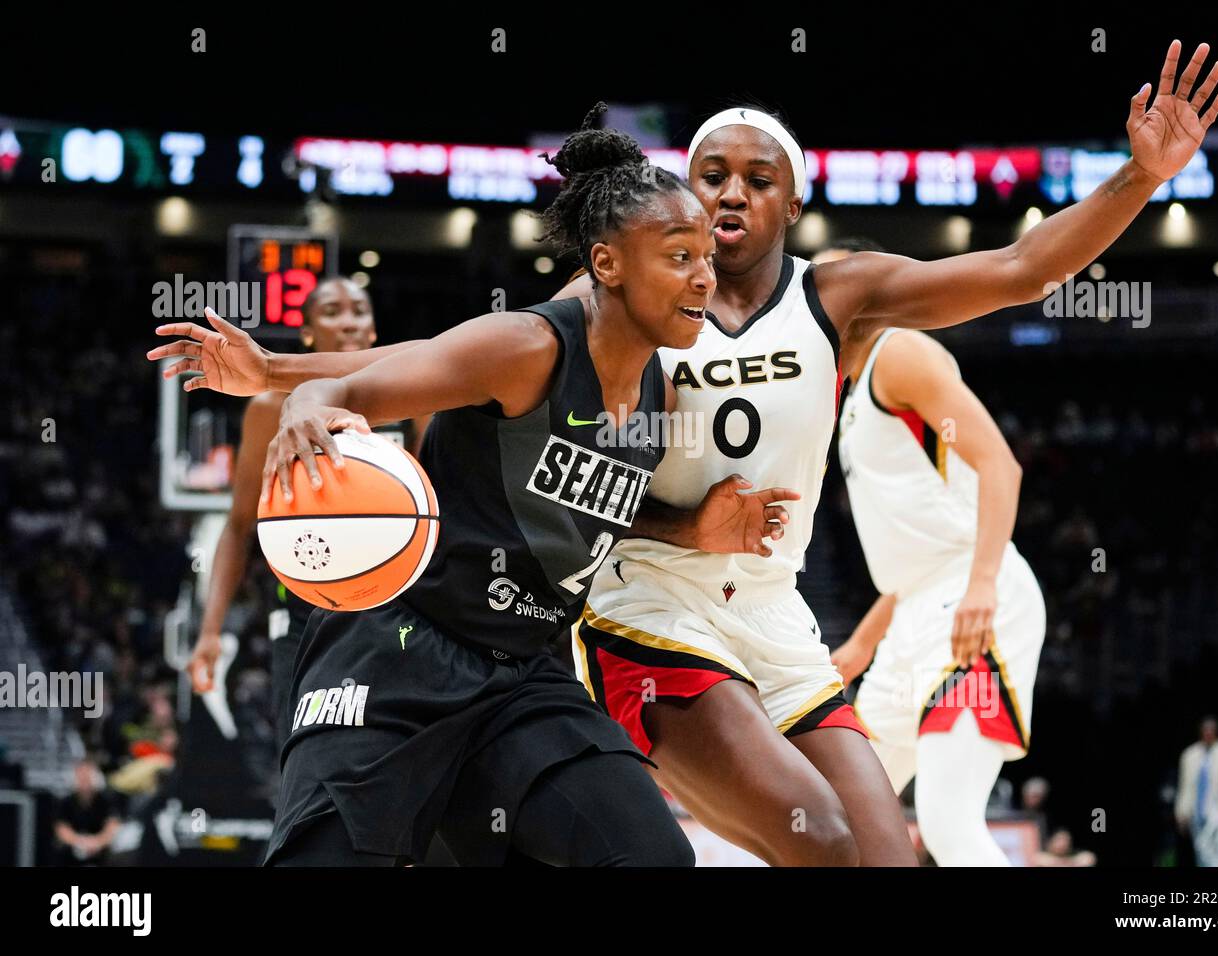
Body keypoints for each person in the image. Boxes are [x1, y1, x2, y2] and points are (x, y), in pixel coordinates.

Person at [157, 42, 1218, 865]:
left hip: (767, 609)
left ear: (792, 202)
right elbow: (447, 358)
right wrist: (295, 376)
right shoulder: (611, 303)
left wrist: (1138, 176)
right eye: (710, 171)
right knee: (808, 833)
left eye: (756, 178)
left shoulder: (831, 297)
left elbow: (1023, 265)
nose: (728, 193)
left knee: (883, 853)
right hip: (635, 605)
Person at [152, 105, 790, 866]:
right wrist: (297, 395)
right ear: (608, 264)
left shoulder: (662, 393)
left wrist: (693, 529)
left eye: (706, 259)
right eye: (680, 255)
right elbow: (373, 380)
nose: (705, 275)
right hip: (398, 652)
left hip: (523, 675)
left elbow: (593, 504)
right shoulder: (527, 347)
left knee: (649, 854)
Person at [824, 238, 1045, 866]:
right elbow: (914, 560)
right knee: (845, 821)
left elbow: (1001, 465)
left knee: (948, 823)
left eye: (836, 277)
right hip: (914, 611)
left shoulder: (901, 353)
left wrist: (982, 584)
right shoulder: (845, 391)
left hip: (975, 600)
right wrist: (861, 647)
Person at [177, 277, 428, 753]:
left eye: (359, 310)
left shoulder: (414, 401)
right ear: (309, 333)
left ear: (374, 330)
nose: (349, 321)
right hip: (304, 610)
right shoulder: (270, 407)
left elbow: (432, 507)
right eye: (332, 311)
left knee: (390, 754)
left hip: (392, 603)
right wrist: (209, 632)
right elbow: (237, 526)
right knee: (302, 757)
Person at [1174, 716, 1218, 866]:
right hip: (1198, 811)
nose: (1208, 733)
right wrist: (1181, 811)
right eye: (1205, 730)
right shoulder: (1189, 755)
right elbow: (1184, 785)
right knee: (1203, 853)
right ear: (1200, 732)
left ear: (1217, 731)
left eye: (1211, 730)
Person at [53, 759, 120, 866]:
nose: (84, 781)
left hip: (101, 852)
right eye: (81, 777)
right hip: (72, 851)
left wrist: (97, 842)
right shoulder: (65, 802)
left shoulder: (107, 800)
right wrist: (79, 842)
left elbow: (112, 827)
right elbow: (61, 829)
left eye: (88, 777)